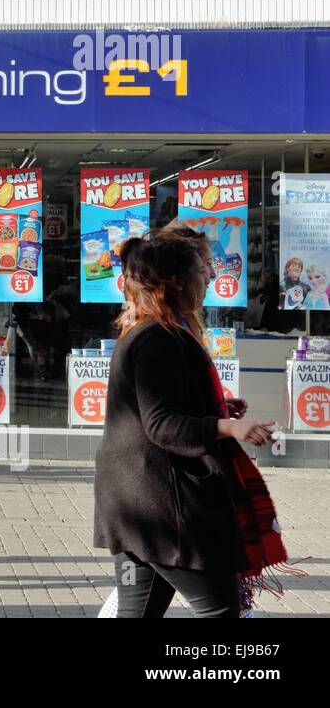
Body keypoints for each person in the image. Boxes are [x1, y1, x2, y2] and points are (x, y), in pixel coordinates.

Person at [93, 228, 285, 618]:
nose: (210, 276)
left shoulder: (158, 331)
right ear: (175, 281)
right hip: (164, 512)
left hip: (140, 508)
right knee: (220, 611)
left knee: (136, 612)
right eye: (202, 269)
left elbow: (163, 405)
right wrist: (227, 428)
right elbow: (161, 424)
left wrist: (214, 407)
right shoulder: (157, 338)